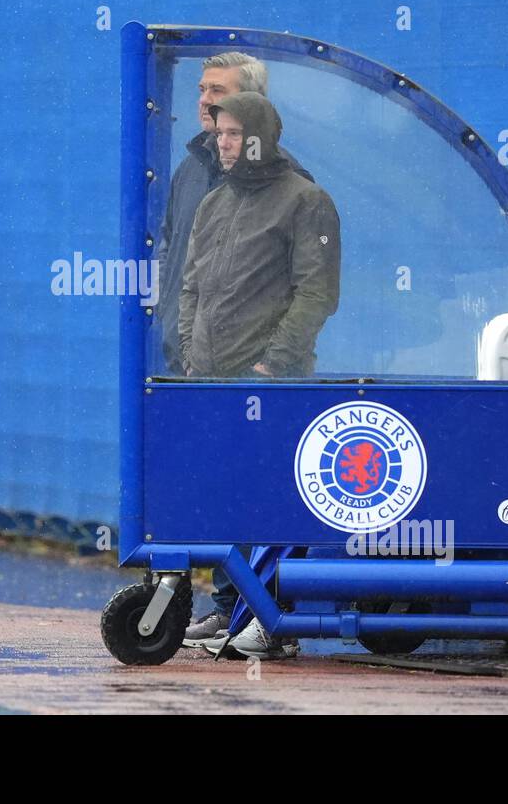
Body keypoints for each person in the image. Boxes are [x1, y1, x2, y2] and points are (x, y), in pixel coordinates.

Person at [178, 91, 341, 657]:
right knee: (228, 493)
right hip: (211, 381)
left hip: (273, 385)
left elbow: (317, 293)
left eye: (231, 133)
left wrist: (273, 362)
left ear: (258, 137)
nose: (220, 143)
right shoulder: (213, 204)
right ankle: (230, 606)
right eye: (217, 133)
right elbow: (192, 288)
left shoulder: (305, 200)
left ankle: (274, 619)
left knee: (272, 498)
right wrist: (190, 355)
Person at [152, 53, 314, 377]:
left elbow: (311, 288)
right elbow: (171, 249)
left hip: (258, 383)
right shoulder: (190, 168)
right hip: (189, 374)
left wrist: (269, 366)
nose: (203, 100)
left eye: (217, 91)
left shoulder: (289, 181)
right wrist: (177, 337)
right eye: (201, 89)